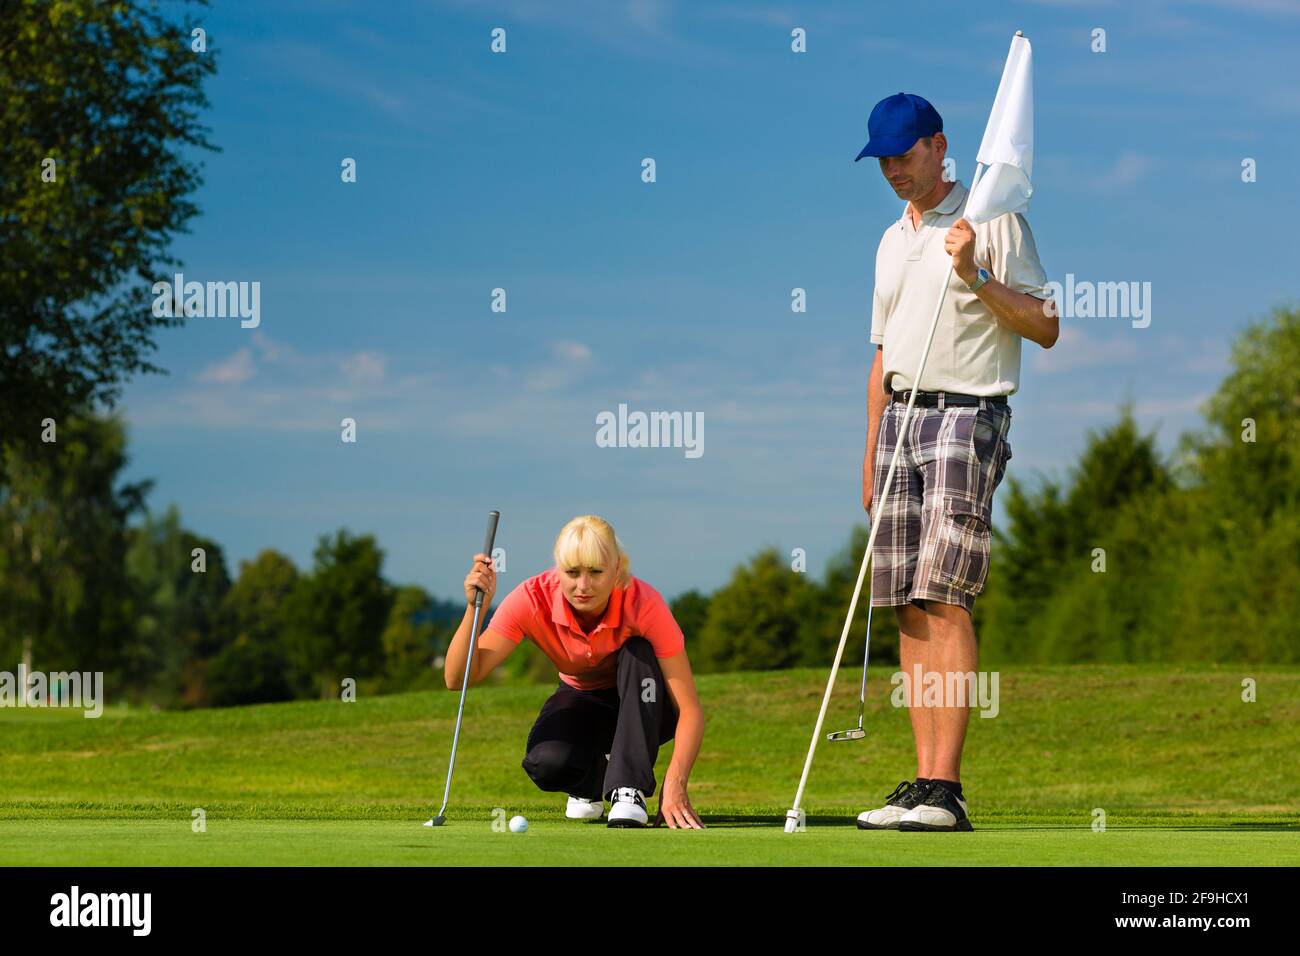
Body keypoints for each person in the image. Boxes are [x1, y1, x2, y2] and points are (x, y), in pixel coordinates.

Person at [853, 93, 1059, 831]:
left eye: (903, 155)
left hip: (968, 415)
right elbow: (881, 357)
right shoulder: (887, 240)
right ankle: (920, 779)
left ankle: (948, 787)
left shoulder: (993, 219)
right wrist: (870, 456)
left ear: (939, 147)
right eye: (882, 160)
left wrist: (974, 274)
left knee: (945, 595)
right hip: (900, 423)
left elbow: (1046, 325)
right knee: (906, 602)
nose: (892, 171)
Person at [444, 515, 705, 829]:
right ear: (558, 569)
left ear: (617, 568)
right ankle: (593, 784)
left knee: (640, 650)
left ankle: (629, 789)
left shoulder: (644, 603)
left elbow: (689, 709)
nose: (583, 586)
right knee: (547, 763)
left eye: (596, 572)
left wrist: (675, 786)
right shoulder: (532, 598)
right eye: (572, 572)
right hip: (580, 699)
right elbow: (457, 679)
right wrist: (477, 607)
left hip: (647, 706)